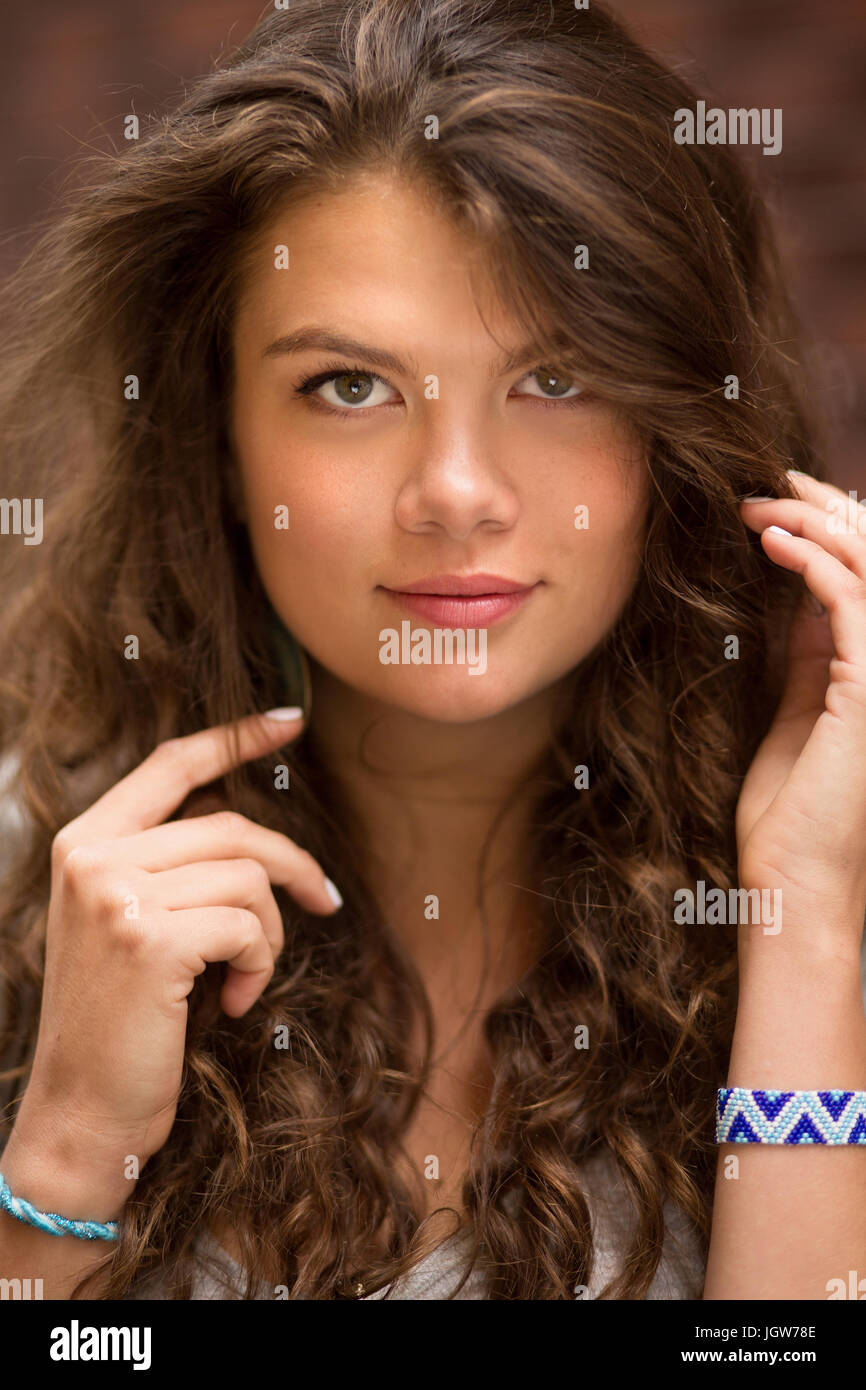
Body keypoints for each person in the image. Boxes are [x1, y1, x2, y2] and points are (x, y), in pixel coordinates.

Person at [1, 0, 864, 1302]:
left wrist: (800, 927)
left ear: (671, 426)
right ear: (220, 435)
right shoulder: (33, 871)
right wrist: (66, 1139)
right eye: (349, 386)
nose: (456, 492)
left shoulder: (838, 865)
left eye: (557, 379)